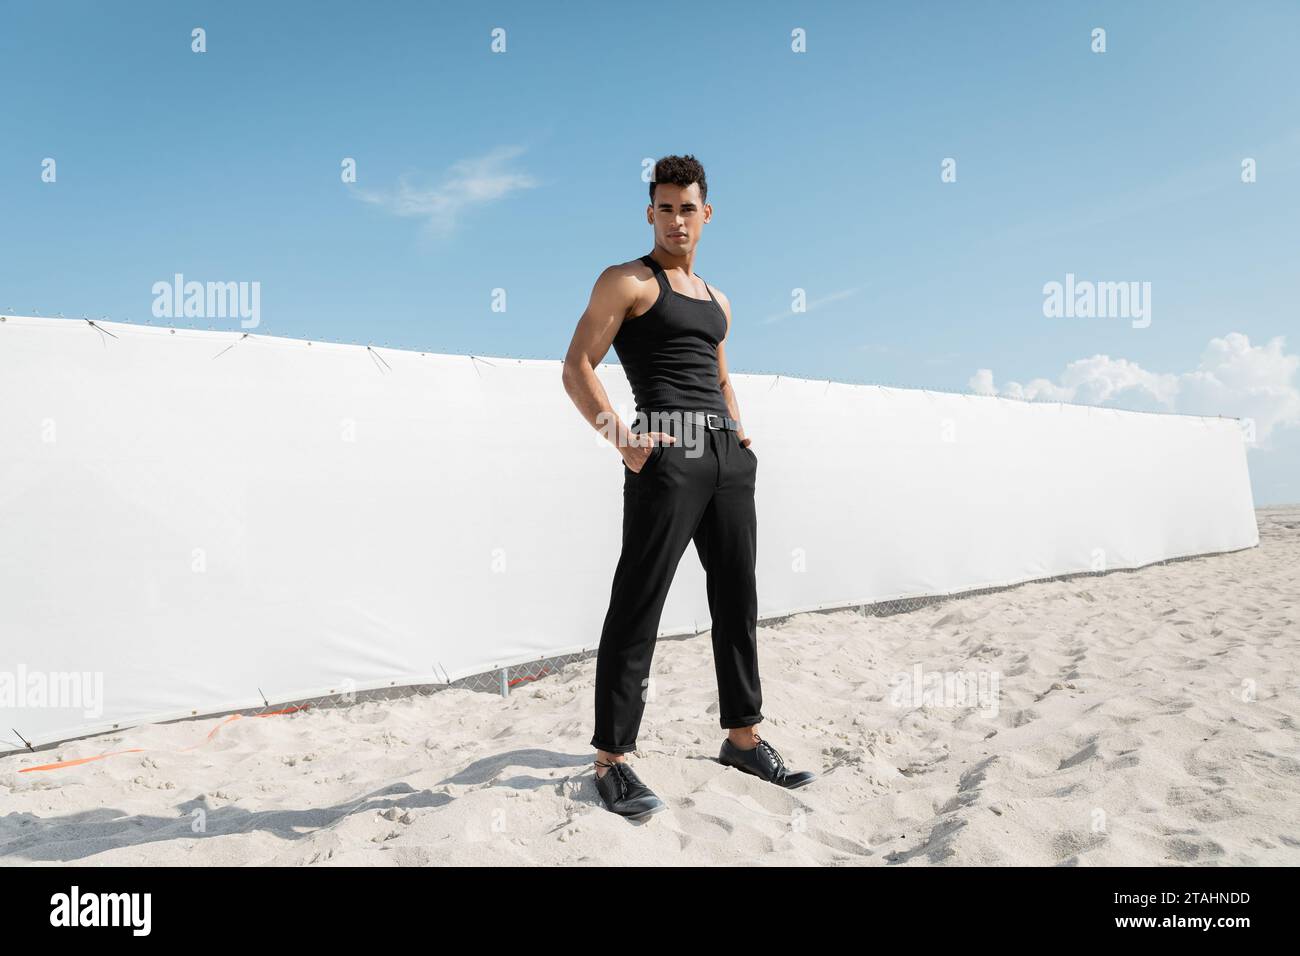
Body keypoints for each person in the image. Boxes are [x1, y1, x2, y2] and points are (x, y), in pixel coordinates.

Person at [561, 154, 816, 821]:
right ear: (652, 213)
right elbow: (577, 366)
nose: (678, 219)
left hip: (728, 458)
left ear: (707, 214)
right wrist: (625, 440)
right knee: (638, 598)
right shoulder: (627, 281)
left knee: (737, 598)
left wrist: (738, 431)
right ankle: (612, 759)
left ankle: (742, 738)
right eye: (666, 207)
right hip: (666, 451)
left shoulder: (717, 300)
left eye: (689, 207)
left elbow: (720, 373)